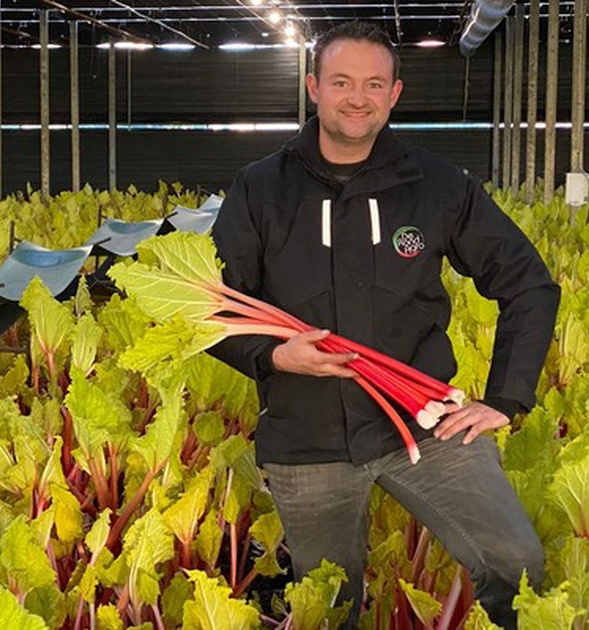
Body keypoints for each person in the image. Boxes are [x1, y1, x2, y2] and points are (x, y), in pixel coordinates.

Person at [206, 21, 560, 629]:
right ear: (314, 87)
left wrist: (505, 398)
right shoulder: (259, 187)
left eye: (374, 83)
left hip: (424, 425)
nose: (357, 97)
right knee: (328, 603)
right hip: (305, 436)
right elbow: (214, 305)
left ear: (395, 94)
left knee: (516, 562)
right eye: (341, 81)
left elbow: (529, 282)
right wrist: (273, 356)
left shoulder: (438, 184)